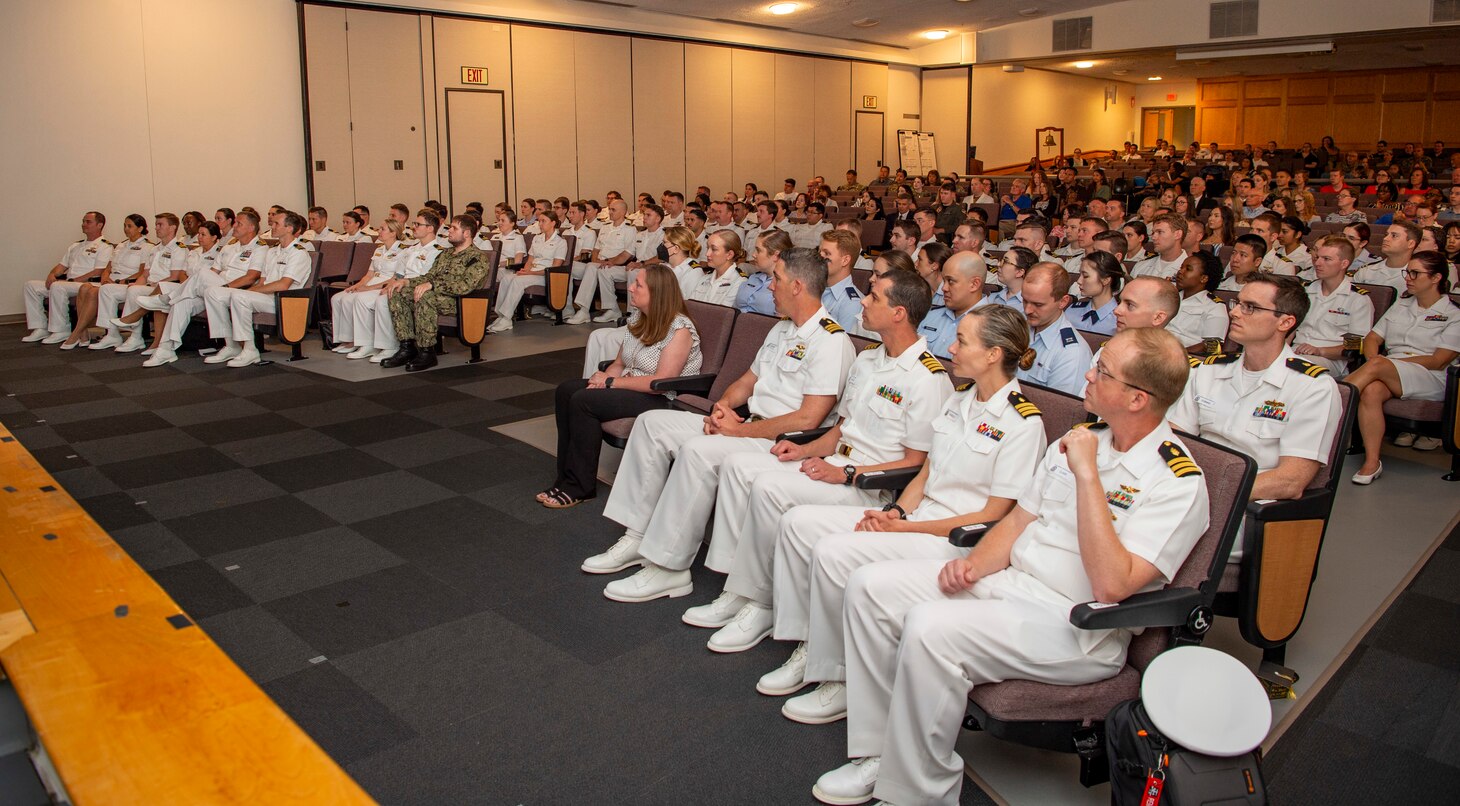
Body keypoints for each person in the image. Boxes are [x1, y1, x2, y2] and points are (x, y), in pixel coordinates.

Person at [814, 327, 1208, 806]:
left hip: (1078, 627)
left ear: (1137, 398)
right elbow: (1021, 517)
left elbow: (1112, 584)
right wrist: (975, 566)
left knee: (930, 629)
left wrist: (1088, 477)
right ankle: (878, 752)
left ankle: (919, 791)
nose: (1088, 373)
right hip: (1013, 584)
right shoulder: (1083, 438)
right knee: (871, 587)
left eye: (1102, 371)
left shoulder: (1177, 481)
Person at [760, 304, 1046, 718]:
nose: (951, 346)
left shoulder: (1023, 424)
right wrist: (896, 513)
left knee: (834, 553)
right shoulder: (961, 399)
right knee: (800, 525)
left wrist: (908, 529)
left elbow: (996, 515)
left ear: (993, 354)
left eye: (962, 341)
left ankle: (839, 675)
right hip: (917, 520)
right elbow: (927, 473)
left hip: (958, 542)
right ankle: (815, 649)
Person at [680, 269, 952, 652]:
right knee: (753, 474)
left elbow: (915, 464)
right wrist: (805, 449)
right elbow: (842, 428)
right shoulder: (869, 359)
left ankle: (759, 603)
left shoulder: (929, 379)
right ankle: (742, 594)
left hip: (871, 488)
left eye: (874, 297)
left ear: (899, 313)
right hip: (836, 466)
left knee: (771, 489)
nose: (863, 301)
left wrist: (847, 473)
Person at [581, 248, 857, 601]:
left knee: (697, 452)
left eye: (777, 279)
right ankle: (635, 537)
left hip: (778, 440)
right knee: (652, 424)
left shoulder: (831, 341)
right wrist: (722, 407)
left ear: (798, 286)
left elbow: (809, 418)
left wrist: (737, 430)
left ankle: (669, 567)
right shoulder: (782, 329)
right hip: (745, 425)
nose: (769, 286)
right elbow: (747, 380)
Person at [1169, 273, 1340, 561]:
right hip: (1187, 492)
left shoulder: (1312, 387)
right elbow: (1173, 436)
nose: (1234, 311)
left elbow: (1290, 481)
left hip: (1243, 508)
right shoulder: (1208, 370)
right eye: (1237, 302)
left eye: (1250, 307)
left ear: (1285, 322)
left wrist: (1204, 491)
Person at [544, 266, 704, 508]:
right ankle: (565, 477)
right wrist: (602, 382)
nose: (630, 288)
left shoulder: (680, 329)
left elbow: (661, 381)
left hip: (662, 396)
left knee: (583, 401)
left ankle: (580, 486)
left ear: (657, 292)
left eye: (638, 285)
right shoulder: (638, 318)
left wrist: (609, 383)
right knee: (567, 390)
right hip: (630, 386)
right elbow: (619, 363)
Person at [1347, 251, 1460, 480]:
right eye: (1407, 272)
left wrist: (1384, 364)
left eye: (1415, 273)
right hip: (1389, 369)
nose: (1408, 277)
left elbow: (1439, 360)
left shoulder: (1453, 315)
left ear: (1436, 278)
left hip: (1432, 377)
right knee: (1371, 390)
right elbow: (1372, 339)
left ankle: (1333, 400)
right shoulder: (1402, 304)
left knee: (1378, 368)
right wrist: (1374, 363)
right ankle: (1371, 462)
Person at [200, 211, 315, 368]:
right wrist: (250, 290)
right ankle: (231, 345)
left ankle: (249, 350)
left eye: (276, 224)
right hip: (266, 297)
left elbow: (283, 285)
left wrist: (248, 292)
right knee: (212, 292)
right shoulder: (272, 251)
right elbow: (262, 281)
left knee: (240, 297)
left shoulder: (299, 253)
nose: (271, 226)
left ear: (289, 228)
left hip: (285, 300)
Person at [378, 215, 490, 372]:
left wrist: (432, 285)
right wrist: (406, 282)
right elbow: (429, 276)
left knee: (425, 296)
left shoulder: (477, 257)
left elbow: (465, 286)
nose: (449, 231)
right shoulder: (446, 254)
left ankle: (426, 351)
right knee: (398, 293)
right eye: (450, 227)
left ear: (466, 233)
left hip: (462, 301)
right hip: (440, 296)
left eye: (454, 228)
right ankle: (407, 346)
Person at [137, 222, 225, 367]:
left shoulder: (220, 252)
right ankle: (166, 349)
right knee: (180, 302)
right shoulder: (194, 252)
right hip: (190, 292)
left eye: (204, 235)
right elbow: (183, 273)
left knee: (202, 274)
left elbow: (214, 277)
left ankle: (166, 299)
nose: (200, 237)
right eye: (199, 234)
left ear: (215, 237)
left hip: (210, 293)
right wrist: (188, 286)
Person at [102, 213, 191, 354]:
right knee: (130, 289)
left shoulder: (179, 248)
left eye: (160, 224)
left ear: (172, 228)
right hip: (152, 286)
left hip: (168, 287)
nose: (156, 228)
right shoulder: (155, 249)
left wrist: (151, 285)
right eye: (156, 224)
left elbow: (174, 276)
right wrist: (137, 285)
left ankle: (133, 326)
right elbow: (145, 274)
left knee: (148, 290)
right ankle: (129, 336)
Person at [1292, 235, 1376, 377]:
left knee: (1294, 368)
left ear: (1344, 264)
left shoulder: (1358, 299)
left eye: (1326, 259)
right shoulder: (1305, 290)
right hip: (1295, 352)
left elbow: (1354, 346)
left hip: (1330, 360)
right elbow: (1289, 329)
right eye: (1318, 257)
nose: (1317, 263)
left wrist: (1320, 350)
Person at [70, 213, 156, 351]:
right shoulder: (121, 245)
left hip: (128, 282)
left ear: (140, 229)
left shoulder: (147, 247)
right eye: (124, 226)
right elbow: (108, 267)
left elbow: (142, 272)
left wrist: (121, 281)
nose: (126, 229)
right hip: (111, 281)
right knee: (90, 288)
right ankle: (111, 334)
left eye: (130, 226)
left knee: (101, 290)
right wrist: (105, 277)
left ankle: (112, 333)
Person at [329, 219, 413, 359]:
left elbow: (396, 278)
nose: (378, 231)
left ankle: (367, 344)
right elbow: (369, 274)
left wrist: (368, 288)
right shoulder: (379, 249)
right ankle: (350, 340)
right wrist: (357, 286)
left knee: (361, 299)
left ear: (393, 233)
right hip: (373, 282)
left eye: (382, 229)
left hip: (386, 285)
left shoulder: (402, 250)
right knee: (338, 298)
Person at [1016, 262, 1092, 395]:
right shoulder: (1018, 325)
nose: (1027, 310)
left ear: (1063, 302)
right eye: (1025, 300)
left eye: (1038, 304)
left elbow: (1057, 410)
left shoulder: (1071, 354)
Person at [488, 210, 569, 333]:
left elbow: (555, 267)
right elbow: (530, 260)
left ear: (553, 223)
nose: (540, 224)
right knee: (507, 278)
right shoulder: (537, 238)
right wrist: (525, 270)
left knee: (518, 282)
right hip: (532, 272)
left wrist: (530, 273)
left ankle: (507, 318)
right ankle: (500, 316)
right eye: (539, 221)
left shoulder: (560, 242)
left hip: (546, 275)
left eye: (543, 221)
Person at [567, 199, 637, 324]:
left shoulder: (630, 229)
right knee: (590, 266)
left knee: (597, 268)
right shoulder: (605, 227)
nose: (610, 212)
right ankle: (582, 310)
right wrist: (596, 261)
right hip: (601, 263)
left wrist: (611, 262)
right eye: (609, 209)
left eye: (613, 210)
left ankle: (591, 310)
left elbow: (627, 254)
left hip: (618, 265)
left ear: (623, 212)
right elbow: (596, 250)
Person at [918, 251, 992, 358]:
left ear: (974, 284)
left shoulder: (994, 326)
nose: (944, 288)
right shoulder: (929, 315)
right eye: (944, 281)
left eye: (951, 281)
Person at [1168, 251, 1230, 353]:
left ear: (1203, 278)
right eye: (1181, 267)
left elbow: (1213, 346)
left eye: (1188, 269)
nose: (1180, 272)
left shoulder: (1214, 307)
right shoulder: (1170, 296)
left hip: (1185, 359)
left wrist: (1178, 355)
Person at [1353, 221, 1419, 295]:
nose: (1385, 238)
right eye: (1386, 234)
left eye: (1394, 235)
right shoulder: (1366, 271)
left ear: (1410, 244)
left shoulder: (1419, 277)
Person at [737, 229, 792, 317]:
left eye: (758, 250)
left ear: (776, 255)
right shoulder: (753, 278)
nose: (753, 255)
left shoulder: (786, 285)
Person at [1068, 250, 1125, 336]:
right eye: (1080, 275)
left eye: (1086, 276)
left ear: (1105, 280)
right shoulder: (1072, 311)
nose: (1079, 281)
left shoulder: (1119, 320)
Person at [687, 229, 747, 306]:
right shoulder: (704, 278)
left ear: (729, 255)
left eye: (714, 249)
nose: (707, 254)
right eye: (707, 248)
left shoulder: (739, 282)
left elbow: (722, 315)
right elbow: (691, 306)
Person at [1130, 213, 1188, 280]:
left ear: (1177, 234)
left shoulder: (1192, 271)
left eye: (1160, 232)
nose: (1153, 237)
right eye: (1153, 233)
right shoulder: (1141, 266)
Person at [987, 246, 1036, 311]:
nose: (998, 264)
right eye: (1001, 260)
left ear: (1019, 272)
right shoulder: (993, 298)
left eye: (1005, 261)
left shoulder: (1031, 305)